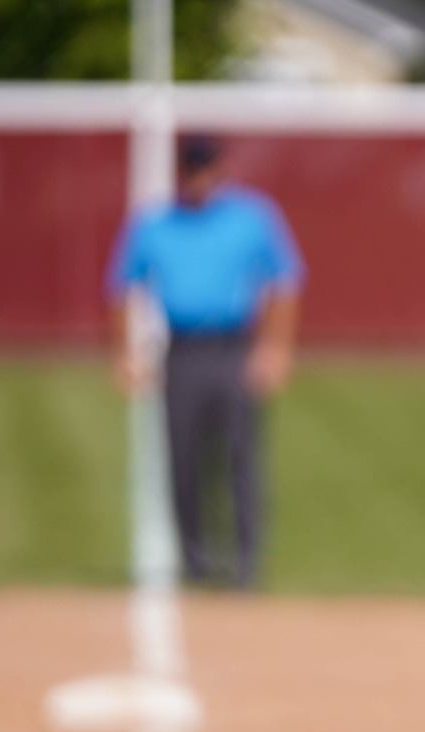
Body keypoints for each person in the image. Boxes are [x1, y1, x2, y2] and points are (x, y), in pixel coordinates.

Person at [107, 134, 304, 588]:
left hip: (234, 347)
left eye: (207, 168)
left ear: (222, 168)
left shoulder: (253, 218)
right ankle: (195, 562)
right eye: (192, 169)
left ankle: (245, 565)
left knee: (240, 458)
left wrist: (274, 349)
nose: (200, 179)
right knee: (184, 461)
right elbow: (122, 286)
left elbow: (284, 281)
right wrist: (125, 352)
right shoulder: (155, 224)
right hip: (182, 351)